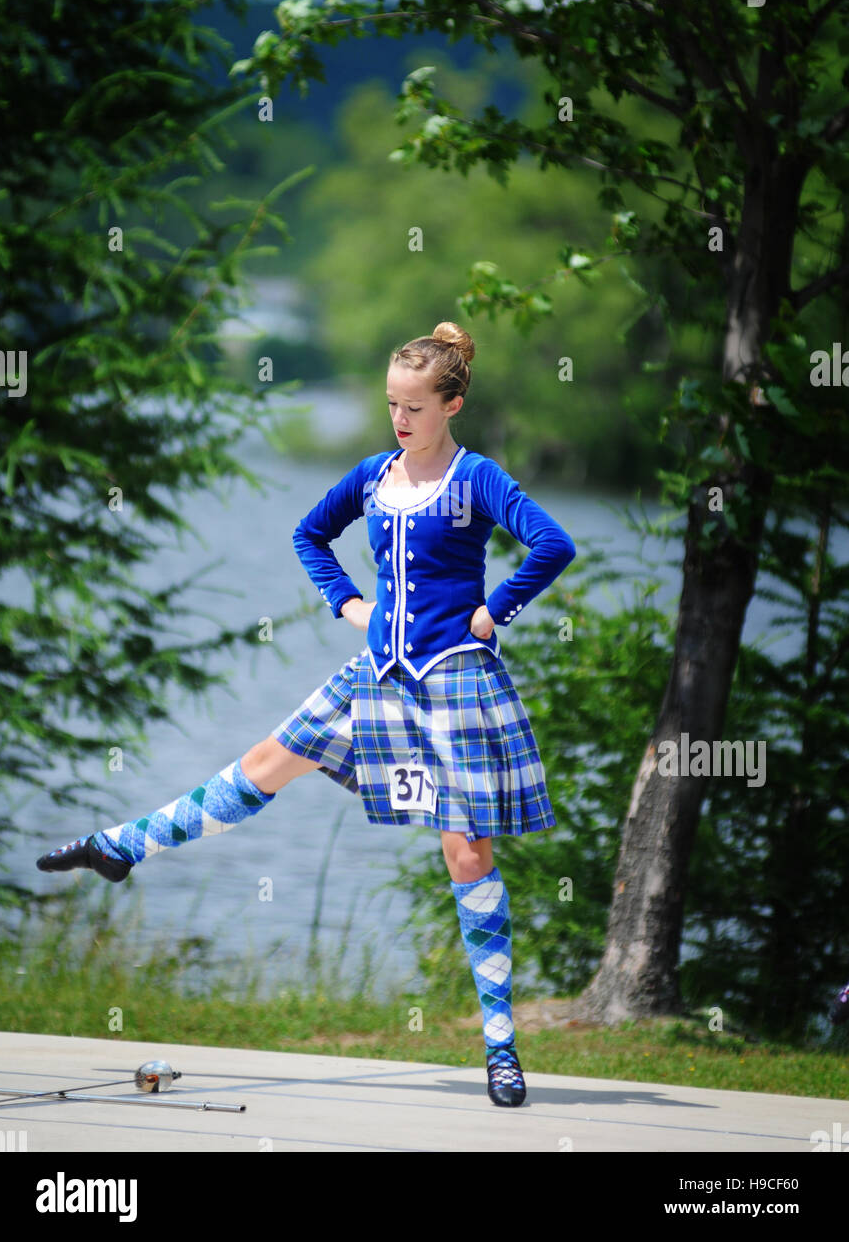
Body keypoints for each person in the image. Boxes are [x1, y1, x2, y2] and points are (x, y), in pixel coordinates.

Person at [37, 321, 577, 1108]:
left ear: (452, 404)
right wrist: (348, 603)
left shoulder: (477, 478)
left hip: (453, 682)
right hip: (376, 675)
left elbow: (551, 544)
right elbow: (308, 534)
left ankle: (500, 1048)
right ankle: (117, 847)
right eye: (392, 403)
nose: (400, 418)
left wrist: (495, 611)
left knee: (464, 853)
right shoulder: (371, 474)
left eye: (415, 406)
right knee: (261, 767)